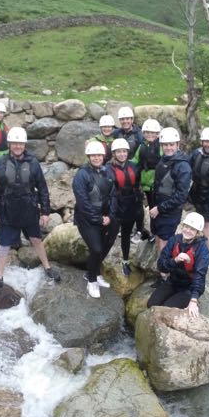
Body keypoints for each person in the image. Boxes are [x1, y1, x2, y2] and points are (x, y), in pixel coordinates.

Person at [0, 127, 60, 292]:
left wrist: (45, 212)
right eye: (14, 143)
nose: (17, 146)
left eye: (20, 143)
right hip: (7, 209)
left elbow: (42, 188)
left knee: (36, 239)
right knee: (4, 245)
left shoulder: (33, 163)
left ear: (24, 144)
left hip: (28, 208)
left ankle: (47, 267)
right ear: (10, 144)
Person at [73, 140, 119, 298]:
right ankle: (91, 280)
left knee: (107, 243)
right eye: (93, 155)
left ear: (103, 156)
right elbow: (83, 202)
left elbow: (113, 195)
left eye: (99, 155)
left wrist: (110, 216)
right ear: (88, 156)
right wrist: (99, 219)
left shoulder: (108, 172)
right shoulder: (82, 175)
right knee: (96, 249)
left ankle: (95, 272)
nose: (97, 158)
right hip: (86, 219)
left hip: (105, 216)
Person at [147, 212, 209, 318]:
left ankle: (189, 298)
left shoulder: (202, 250)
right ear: (183, 226)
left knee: (165, 310)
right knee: (151, 305)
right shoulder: (175, 240)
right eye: (186, 227)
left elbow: (200, 275)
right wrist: (175, 260)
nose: (188, 231)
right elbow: (161, 265)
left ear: (197, 232)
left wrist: (193, 300)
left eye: (192, 229)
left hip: (188, 288)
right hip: (173, 281)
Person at [149, 127, 192, 255]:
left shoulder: (183, 167)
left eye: (171, 144)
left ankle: (165, 274)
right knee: (157, 237)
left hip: (169, 212)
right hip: (158, 209)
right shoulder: (163, 160)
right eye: (165, 145)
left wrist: (159, 208)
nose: (168, 148)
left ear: (178, 145)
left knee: (164, 242)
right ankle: (161, 268)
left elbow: (181, 196)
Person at [106, 138, 142, 276]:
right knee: (110, 235)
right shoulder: (108, 169)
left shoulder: (133, 166)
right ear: (114, 153)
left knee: (126, 234)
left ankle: (125, 261)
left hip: (131, 204)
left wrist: (138, 202)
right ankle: (98, 259)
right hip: (116, 206)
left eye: (124, 151)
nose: (122, 154)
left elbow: (137, 184)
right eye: (119, 152)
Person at [131, 117, 162, 243]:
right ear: (144, 133)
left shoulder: (161, 146)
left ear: (157, 134)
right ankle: (153, 231)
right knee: (151, 208)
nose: (150, 135)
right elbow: (135, 161)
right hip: (146, 185)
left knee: (157, 209)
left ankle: (157, 232)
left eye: (153, 133)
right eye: (147, 133)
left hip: (158, 184)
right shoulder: (142, 147)